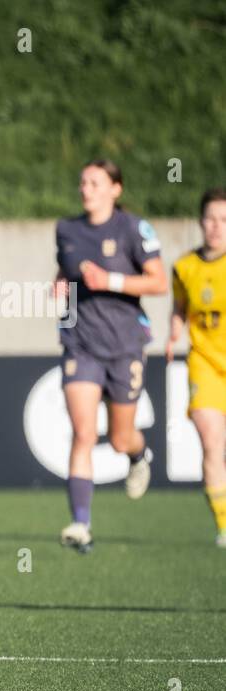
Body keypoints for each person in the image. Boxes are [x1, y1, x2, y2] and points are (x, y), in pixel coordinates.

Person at [53, 159, 167, 553]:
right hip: (80, 344)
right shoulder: (66, 229)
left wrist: (111, 281)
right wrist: (60, 297)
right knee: (83, 432)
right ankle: (80, 524)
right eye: (83, 182)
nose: (86, 189)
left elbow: (158, 281)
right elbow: (64, 273)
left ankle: (139, 454)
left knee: (119, 438)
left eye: (95, 183)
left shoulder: (133, 229)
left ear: (115, 189)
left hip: (124, 346)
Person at [166, 187, 226, 547]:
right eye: (210, 218)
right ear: (200, 222)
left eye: (224, 219)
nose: (216, 226)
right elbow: (179, 305)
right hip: (204, 364)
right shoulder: (184, 267)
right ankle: (224, 524)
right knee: (211, 442)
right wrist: (173, 332)